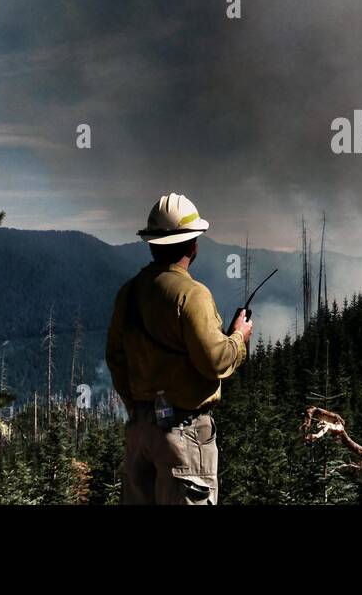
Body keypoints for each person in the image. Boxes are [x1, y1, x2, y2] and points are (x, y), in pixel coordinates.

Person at [105, 193, 253, 504]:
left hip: (140, 432)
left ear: (151, 243)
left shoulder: (128, 292)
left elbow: (116, 359)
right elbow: (215, 361)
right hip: (184, 436)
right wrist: (238, 338)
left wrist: (137, 405)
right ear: (193, 245)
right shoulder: (192, 295)